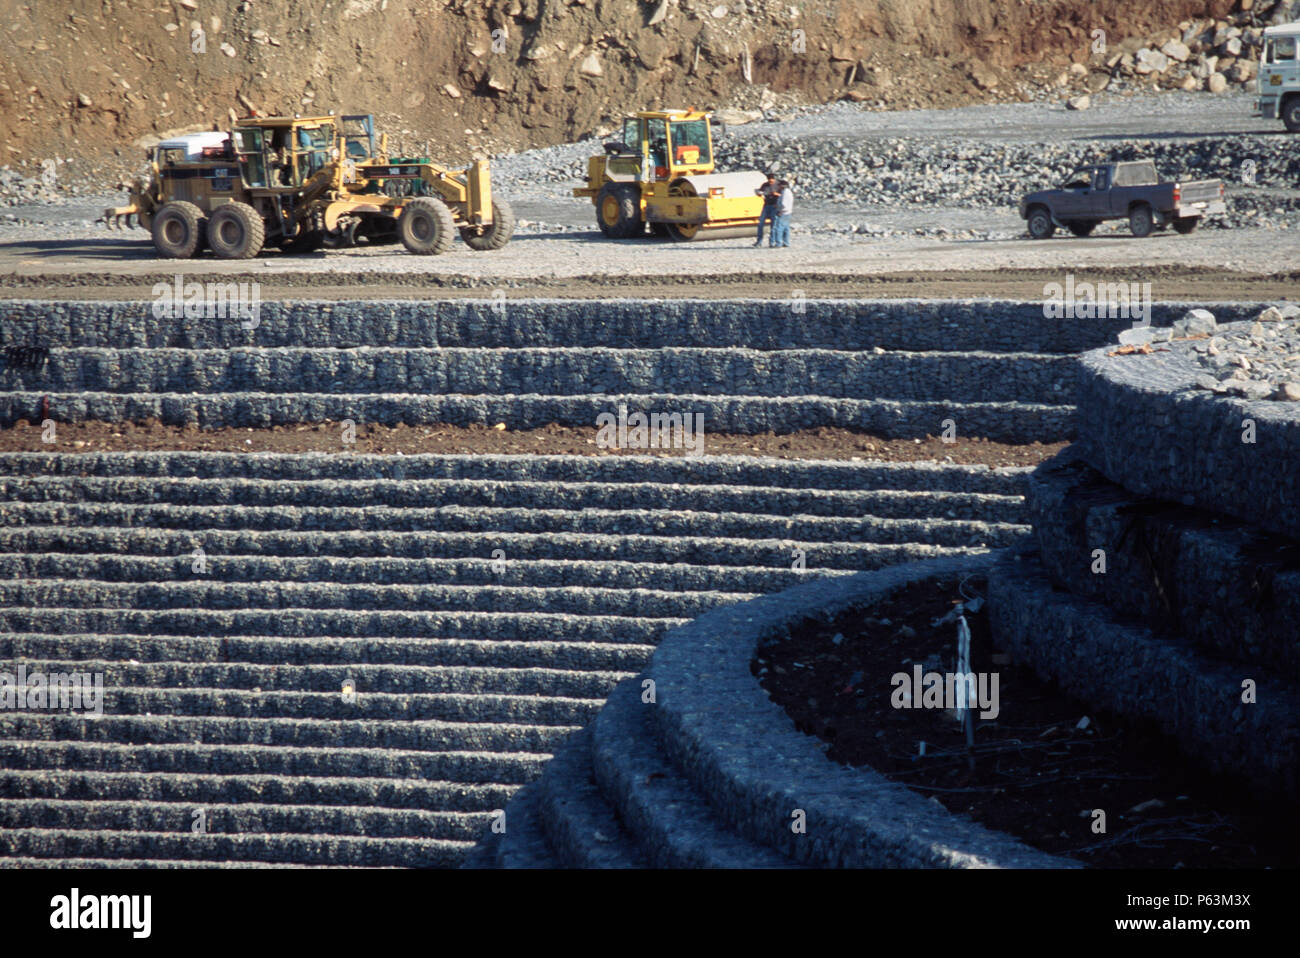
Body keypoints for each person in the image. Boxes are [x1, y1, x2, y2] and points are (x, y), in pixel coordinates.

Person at [754, 172, 779, 247]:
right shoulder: (764, 185)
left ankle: (772, 242)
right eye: (769, 181)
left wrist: (776, 194)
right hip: (766, 205)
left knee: (773, 225)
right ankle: (759, 241)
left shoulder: (778, 185)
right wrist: (759, 193)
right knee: (760, 223)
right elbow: (760, 192)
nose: (770, 182)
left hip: (774, 206)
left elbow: (783, 195)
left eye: (772, 180)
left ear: (774, 179)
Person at [771, 179, 793, 247]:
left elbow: (784, 204)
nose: (778, 186)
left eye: (779, 185)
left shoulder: (785, 193)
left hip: (784, 212)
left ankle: (778, 243)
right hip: (788, 212)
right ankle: (786, 242)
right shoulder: (788, 192)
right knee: (786, 228)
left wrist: (780, 210)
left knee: (779, 228)